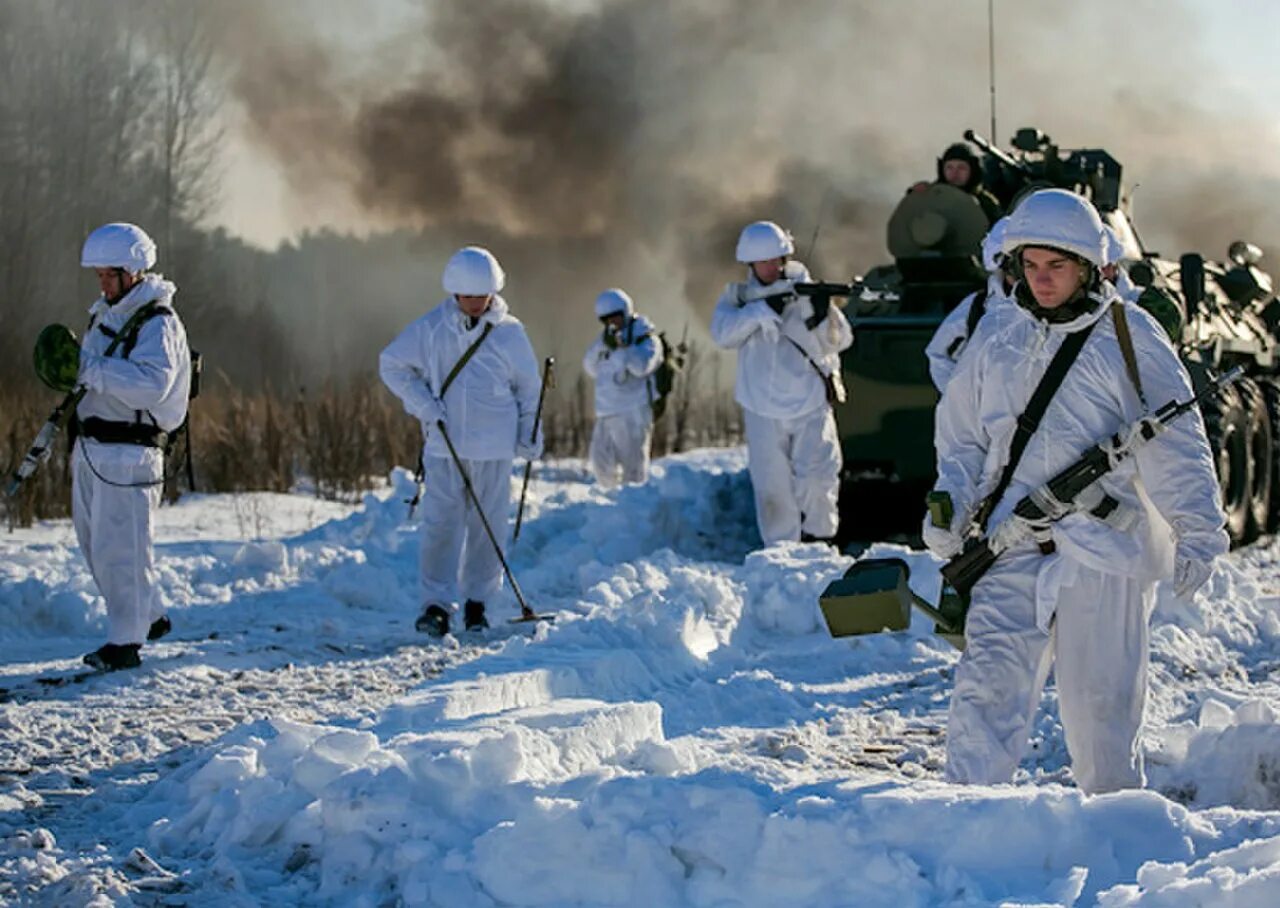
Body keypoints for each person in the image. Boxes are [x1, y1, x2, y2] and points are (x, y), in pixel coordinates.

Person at [923, 189, 1227, 794]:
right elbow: (960, 438)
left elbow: (1176, 443)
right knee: (984, 700)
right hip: (1007, 545)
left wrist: (1198, 530)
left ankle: (1114, 845)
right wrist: (951, 502)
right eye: (1030, 266)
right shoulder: (997, 334)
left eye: (1055, 266)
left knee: (1103, 715)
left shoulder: (1130, 336)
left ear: (1088, 265)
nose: (1041, 280)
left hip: (1102, 552)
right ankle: (963, 827)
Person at [380, 246, 542, 637]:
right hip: (444, 446)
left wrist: (530, 434)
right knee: (441, 527)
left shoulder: (510, 334)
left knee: (488, 529)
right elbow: (392, 364)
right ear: (454, 293)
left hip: (495, 449)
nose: (473, 303)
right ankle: (436, 605)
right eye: (466, 296)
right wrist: (424, 404)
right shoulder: (431, 328)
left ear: (493, 292)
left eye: (480, 295)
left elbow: (529, 389)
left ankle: (478, 604)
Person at [72, 223, 192, 671]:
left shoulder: (158, 323)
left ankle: (125, 643)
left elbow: (151, 386)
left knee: (121, 549)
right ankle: (151, 614)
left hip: (130, 452)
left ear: (135, 271)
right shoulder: (104, 317)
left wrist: (88, 369)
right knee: (94, 544)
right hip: (93, 447)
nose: (103, 284)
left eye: (110, 275)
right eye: (99, 275)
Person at [711, 220, 853, 546]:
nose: (771, 267)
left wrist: (821, 313)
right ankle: (780, 552)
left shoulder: (807, 292)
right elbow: (723, 334)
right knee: (772, 486)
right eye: (763, 262)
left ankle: (820, 542)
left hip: (809, 401)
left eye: (777, 260)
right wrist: (760, 312)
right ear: (750, 264)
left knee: (818, 477)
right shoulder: (739, 298)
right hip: (761, 405)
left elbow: (840, 340)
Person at [583, 288, 662, 489]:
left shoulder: (646, 338)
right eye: (606, 320)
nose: (612, 323)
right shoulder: (605, 342)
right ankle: (611, 504)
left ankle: (634, 508)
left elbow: (642, 367)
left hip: (632, 411)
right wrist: (604, 345)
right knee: (601, 465)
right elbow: (589, 366)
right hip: (606, 410)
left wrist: (623, 349)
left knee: (634, 470)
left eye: (615, 317)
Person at [925, 216, 1013, 391]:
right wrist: (963, 403)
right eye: (1016, 265)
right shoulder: (980, 307)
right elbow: (938, 355)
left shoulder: (1068, 312)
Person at [910, 142, 1002, 225]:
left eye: (961, 168)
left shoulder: (987, 204)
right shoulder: (930, 196)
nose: (955, 173)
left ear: (973, 170)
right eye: (949, 167)